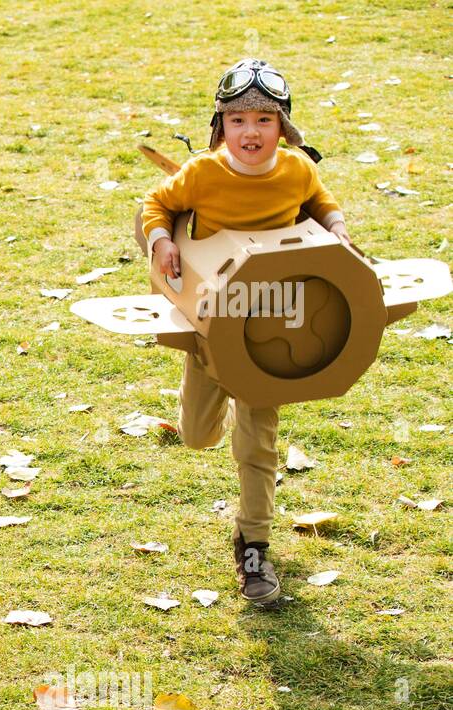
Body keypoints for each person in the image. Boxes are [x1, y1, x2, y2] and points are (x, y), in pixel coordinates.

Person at [141, 59, 350, 605]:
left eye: (264, 119)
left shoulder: (297, 169)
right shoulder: (205, 173)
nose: (251, 132)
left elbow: (320, 201)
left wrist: (337, 228)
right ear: (220, 128)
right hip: (212, 319)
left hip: (272, 328)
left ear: (283, 127)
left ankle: (253, 547)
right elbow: (158, 204)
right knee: (197, 434)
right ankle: (221, 409)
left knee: (257, 446)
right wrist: (161, 240)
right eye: (238, 121)